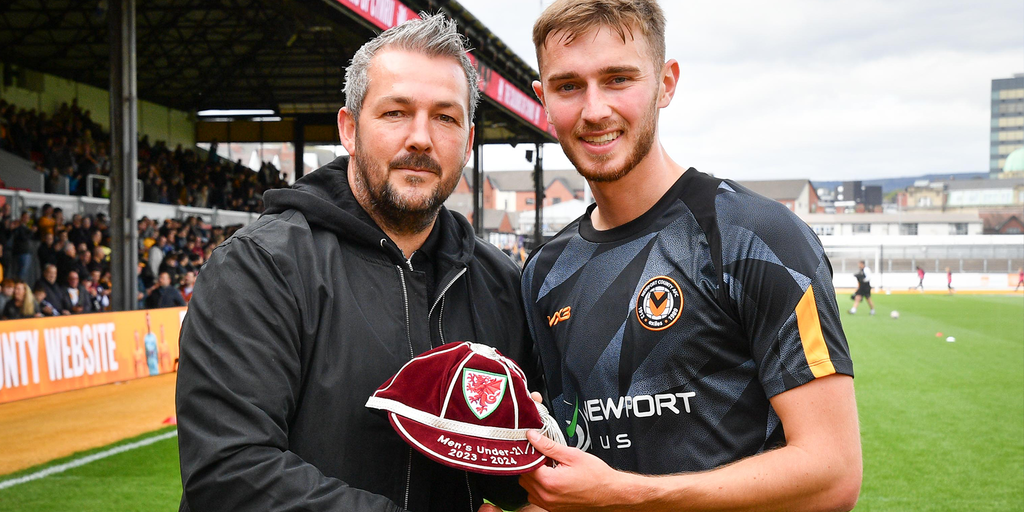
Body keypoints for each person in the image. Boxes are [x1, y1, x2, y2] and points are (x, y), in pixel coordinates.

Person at [503, 2, 861, 511]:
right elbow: (570, 467)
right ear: (543, 99)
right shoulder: (543, 272)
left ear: (666, 83)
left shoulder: (754, 236)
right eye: (568, 86)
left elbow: (834, 475)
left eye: (618, 79)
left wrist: (630, 497)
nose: (595, 109)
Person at [176, 13, 538, 512]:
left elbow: (520, 476)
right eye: (395, 112)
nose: (421, 138)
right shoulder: (259, 267)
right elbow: (229, 473)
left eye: (445, 117)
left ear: (469, 140)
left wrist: (525, 465)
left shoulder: (500, 282)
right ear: (349, 129)